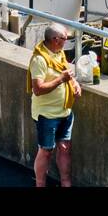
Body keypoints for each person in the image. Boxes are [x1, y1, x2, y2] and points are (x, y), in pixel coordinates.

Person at [27, 23, 80, 187]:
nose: (67, 41)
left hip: (65, 112)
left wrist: (75, 84)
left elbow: (66, 74)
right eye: (65, 38)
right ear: (55, 39)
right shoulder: (40, 60)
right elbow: (38, 89)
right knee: (46, 151)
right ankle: (40, 184)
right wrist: (61, 80)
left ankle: (66, 183)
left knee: (64, 147)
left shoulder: (59, 54)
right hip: (47, 115)